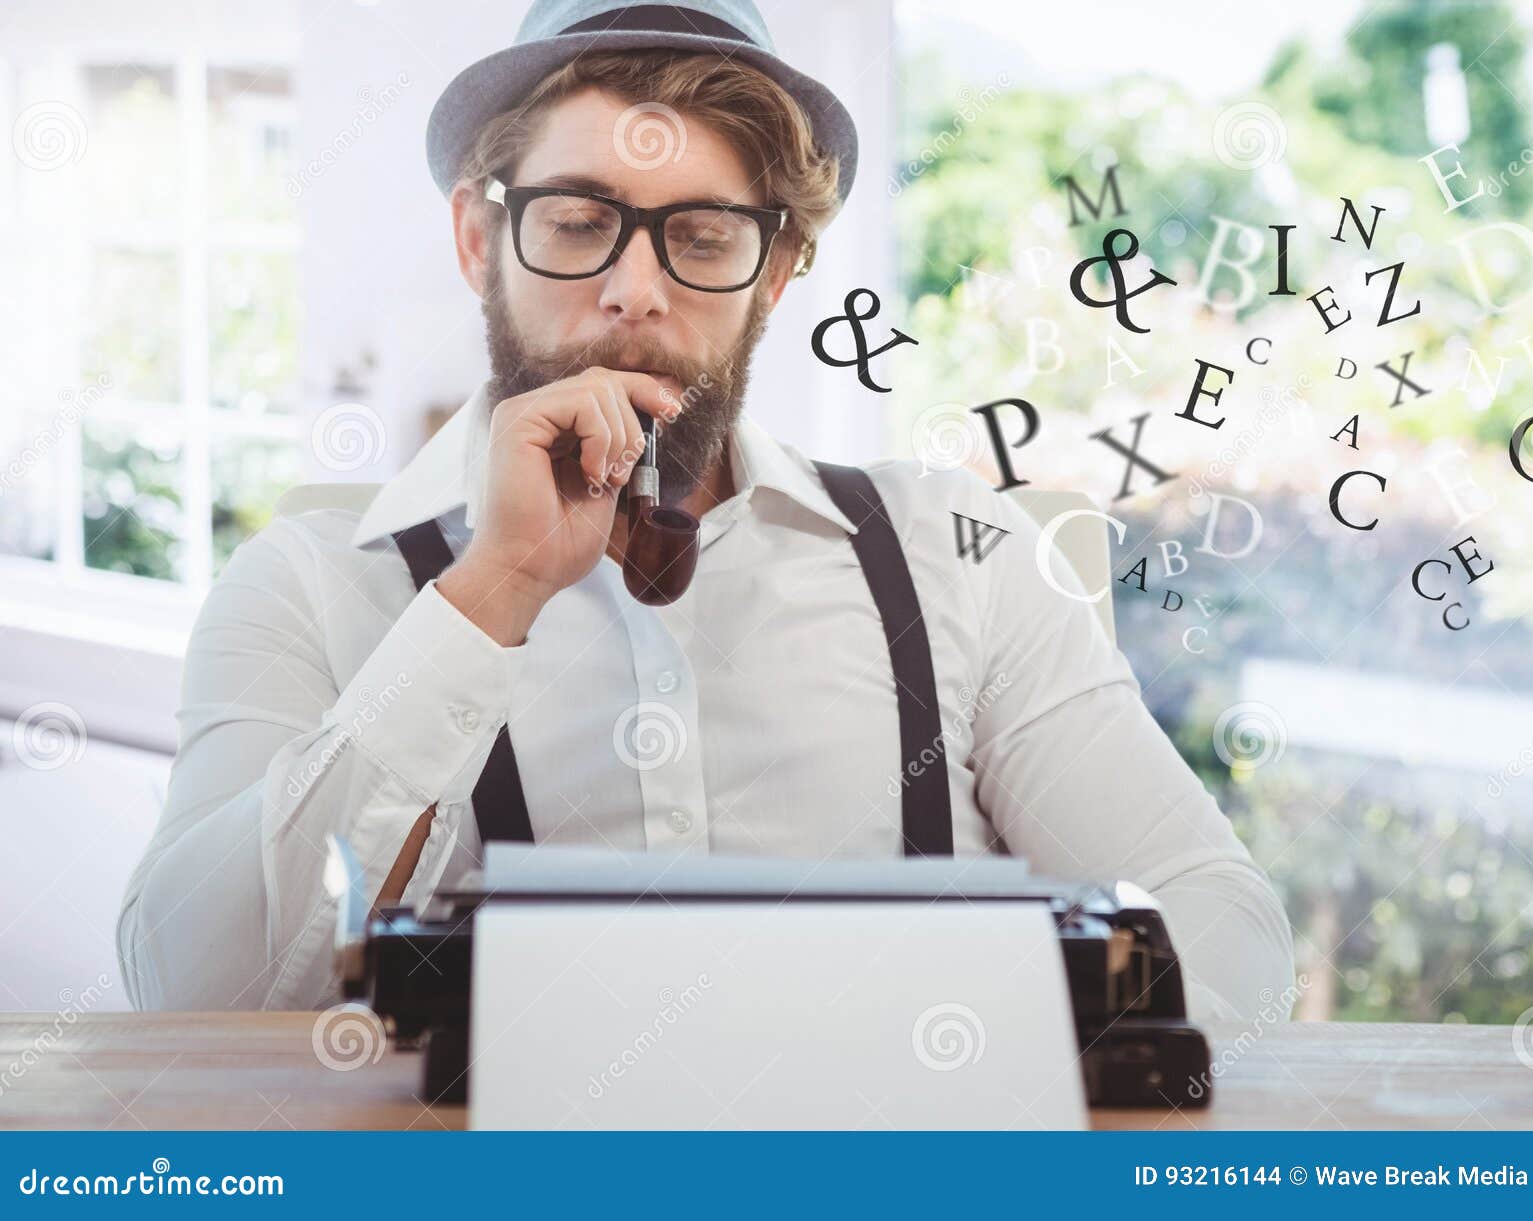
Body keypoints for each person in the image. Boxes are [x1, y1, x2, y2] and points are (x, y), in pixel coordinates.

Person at [119, 0, 1293, 1018]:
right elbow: (188, 996)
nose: (635, 290)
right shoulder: (306, 586)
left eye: (701, 236)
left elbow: (1227, 942)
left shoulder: (966, 557)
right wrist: (487, 600)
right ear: (481, 240)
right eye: (578, 221)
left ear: (777, 271)